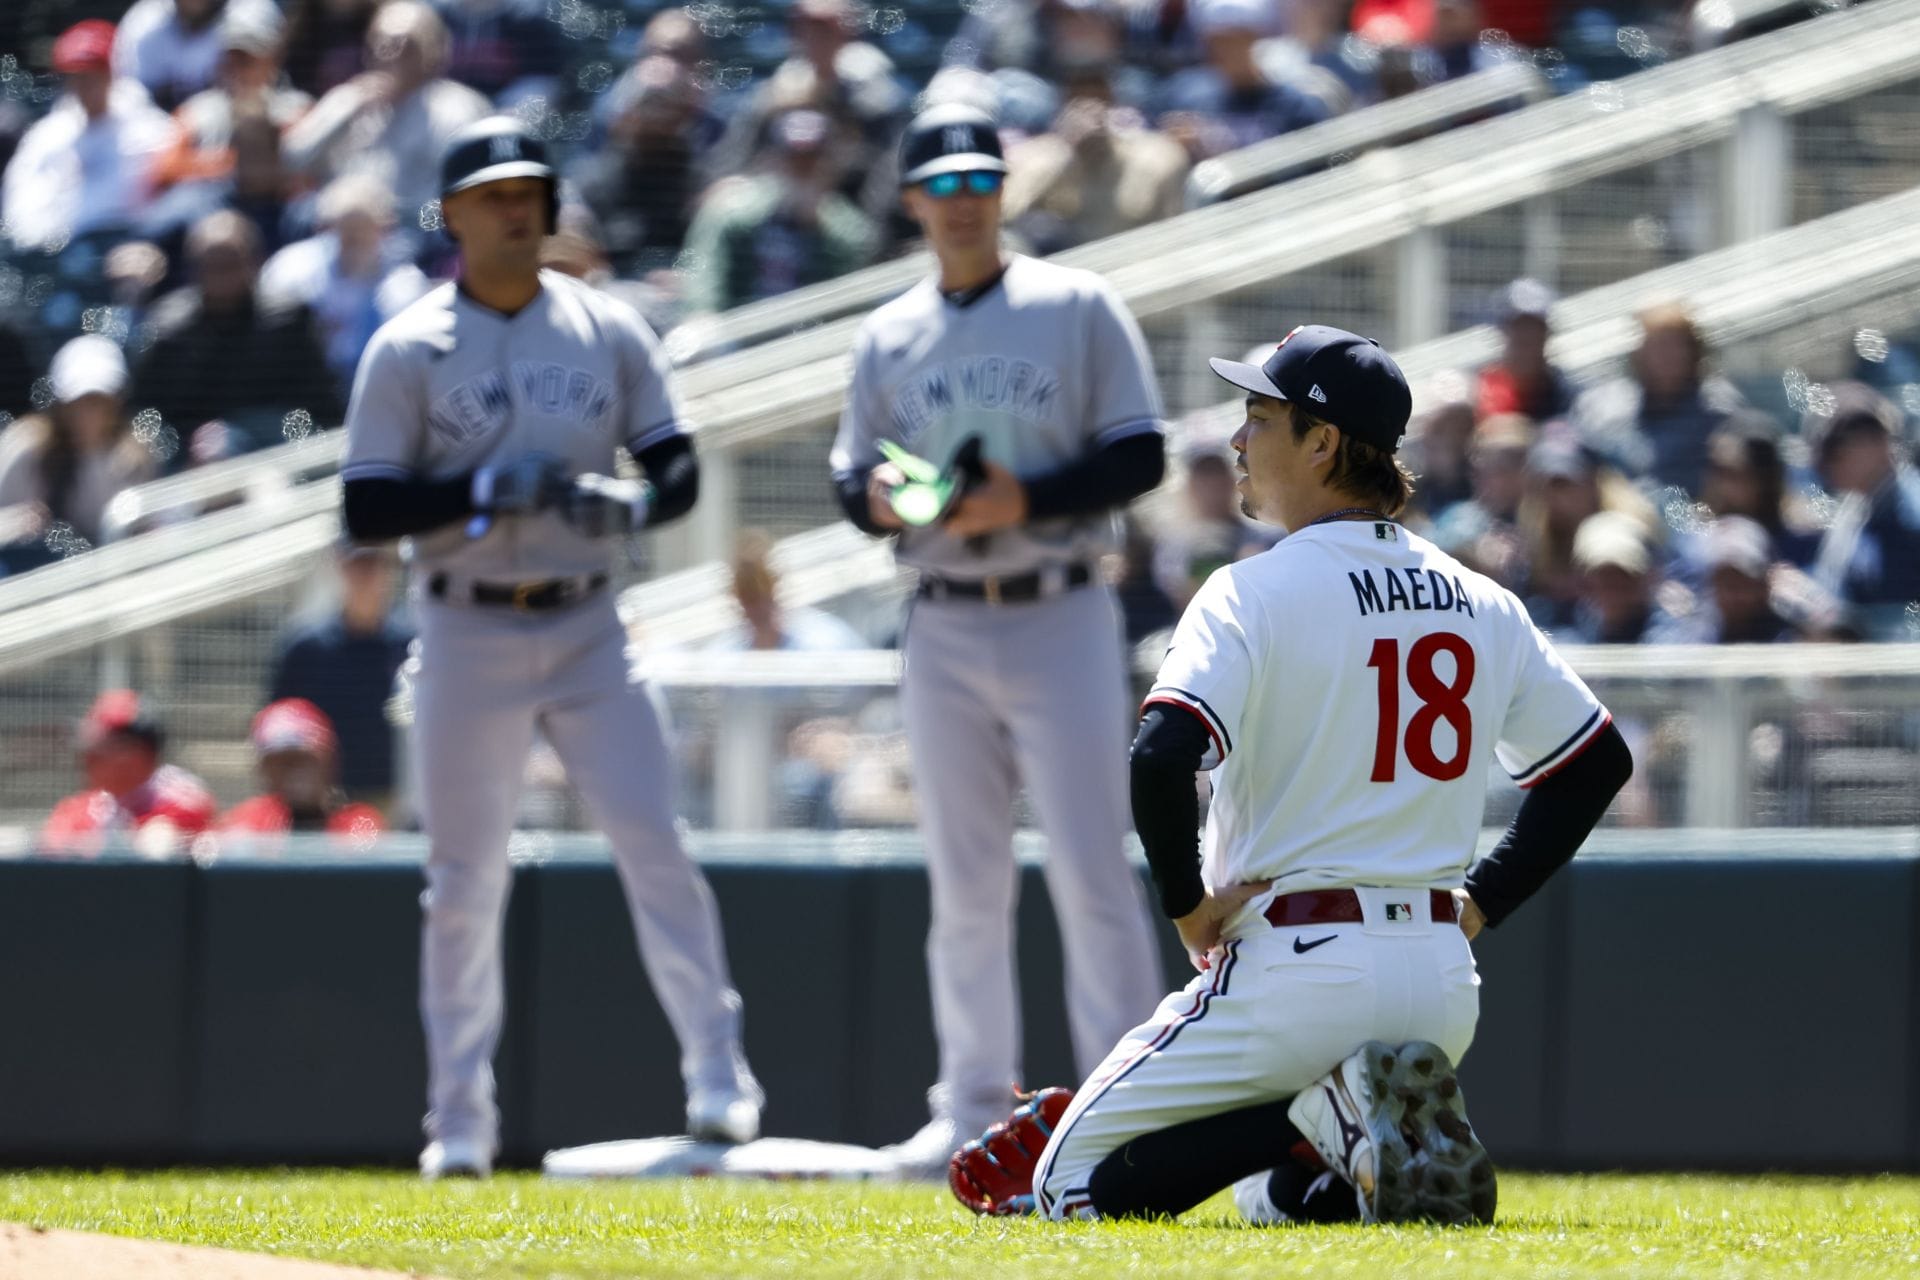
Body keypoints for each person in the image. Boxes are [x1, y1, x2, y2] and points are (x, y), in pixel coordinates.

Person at [944, 324, 1632, 1225]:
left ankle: (1315, 1117)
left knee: (1058, 1189)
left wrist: (1188, 907)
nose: (1239, 438)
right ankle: (1340, 1147)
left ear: (1322, 442)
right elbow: (1595, 764)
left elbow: (1160, 754)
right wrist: (1483, 899)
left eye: (1260, 416)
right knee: (1264, 1205)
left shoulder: (1249, 590)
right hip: (1438, 983)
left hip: (1294, 968)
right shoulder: (1482, 598)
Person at [339, 117, 763, 1178]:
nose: (515, 208)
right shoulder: (408, 344)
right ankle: (458, 1122)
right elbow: (367, 504)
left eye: (527, 190)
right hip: (465, 621)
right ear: (453, 214)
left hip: (587, 623)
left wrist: (632, 502)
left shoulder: (607, 326)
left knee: (655, 841)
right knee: (462, 879)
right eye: (493, 194)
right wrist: (479, 491)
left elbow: (677, 466)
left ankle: (720, 1076)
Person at [829, 104, 1166, 1178]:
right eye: (946, 185)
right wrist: (881, 498)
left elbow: (1139, 454)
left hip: (1060, 601)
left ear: (1003, 192)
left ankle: (1129, 1105)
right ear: (914, 200)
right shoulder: (889, 331)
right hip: (940, 610)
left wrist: (1026, 496)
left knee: (1092, 866)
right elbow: (851, 477)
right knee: (965, 879)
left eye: (981, 181)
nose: (965, 200)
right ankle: (970, 1106)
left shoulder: (1076, 302)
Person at [130, 209, 342, 462]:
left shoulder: (288, 320)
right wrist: (172, 451)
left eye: (230, 264)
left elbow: (318, 405)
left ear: (254, 261)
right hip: (191, 461)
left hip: (278, 453)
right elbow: (147, 413)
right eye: (210, 266)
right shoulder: (169, 328)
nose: (221, 277)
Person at [282, 1, 490, 224]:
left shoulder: (456, 108)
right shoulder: (350, 98)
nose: (392, 53)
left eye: (406, 45)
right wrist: (347, 110)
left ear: (433, 51)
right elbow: (293, 159)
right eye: (383, 43)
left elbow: (462, 189)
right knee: (300, 215)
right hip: (343, 225)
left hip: (415, 227)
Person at [680, 109, 879, 317]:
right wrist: (704, 316)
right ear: (774, 159)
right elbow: (704, 275)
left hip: (812, 331)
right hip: (740, 326)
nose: (803, 168)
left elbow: (851, 291)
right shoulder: (733, 211)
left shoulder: (847, 227)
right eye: (794, 158)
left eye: (814, 158)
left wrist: (815, 225)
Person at [2, 20, 175, 252]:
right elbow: (20, 194)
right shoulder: (50, 133)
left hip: (119, 243)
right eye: (76, 76)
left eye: (92, 75)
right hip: (54, 247)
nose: (83, 86)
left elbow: (125, 201)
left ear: (111, 73)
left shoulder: (149, 131)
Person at [267, 538, 415, 809]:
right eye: (357, 564)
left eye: (373, 564)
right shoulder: (306, 647)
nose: (365, 575)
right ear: (340, 567)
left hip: (396, 796)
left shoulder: (411, 644)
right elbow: (277, 722)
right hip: (323, 802)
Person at [259, 174, 433, 397]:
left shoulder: (405, 285)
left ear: (384, 228)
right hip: (304, 388)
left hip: (380, 390)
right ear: (325, 227)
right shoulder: (292, 270)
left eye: (362, 227)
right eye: (343, 228)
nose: (353, 238)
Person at [0, 336, 157, 564]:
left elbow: (141, 534)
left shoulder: (131, 462)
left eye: (98, 401)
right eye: (78, 402)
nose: (87, 413)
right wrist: (16, 525)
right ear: (60, 404)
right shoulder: (24, 449)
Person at [1571, 301, 1744, 495]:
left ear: (1694, 351)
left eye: (1676, 345)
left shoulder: (1718, 409)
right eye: (1656, 345)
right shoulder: (1608, 409)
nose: (1666, 356)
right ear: (1639, 352)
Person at [42, 690, 218, 857]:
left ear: (137, 755)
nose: (88, 759)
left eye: (100, 750)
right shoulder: (83, 808)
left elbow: (156, 853)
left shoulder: (179, 800)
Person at [215, 698, 387, 844]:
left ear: (327, 761)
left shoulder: (358, 824)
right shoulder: (248, 823)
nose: (293, 772)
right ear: (265, 771)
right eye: (280, 763)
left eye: (303, 760)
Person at [113, 0, 284, 113]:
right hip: (160, 141)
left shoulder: (250, 12)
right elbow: (128, 100)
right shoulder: (144, 22)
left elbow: (264, 86)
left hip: (231, 131)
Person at [1474, 279, 1574, 424]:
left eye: (1536, 329)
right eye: (1518, 328)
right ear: (1502, 332)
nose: (1527, 336)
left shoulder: (1566, 395)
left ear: (1547, 335)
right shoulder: (1479, 390)